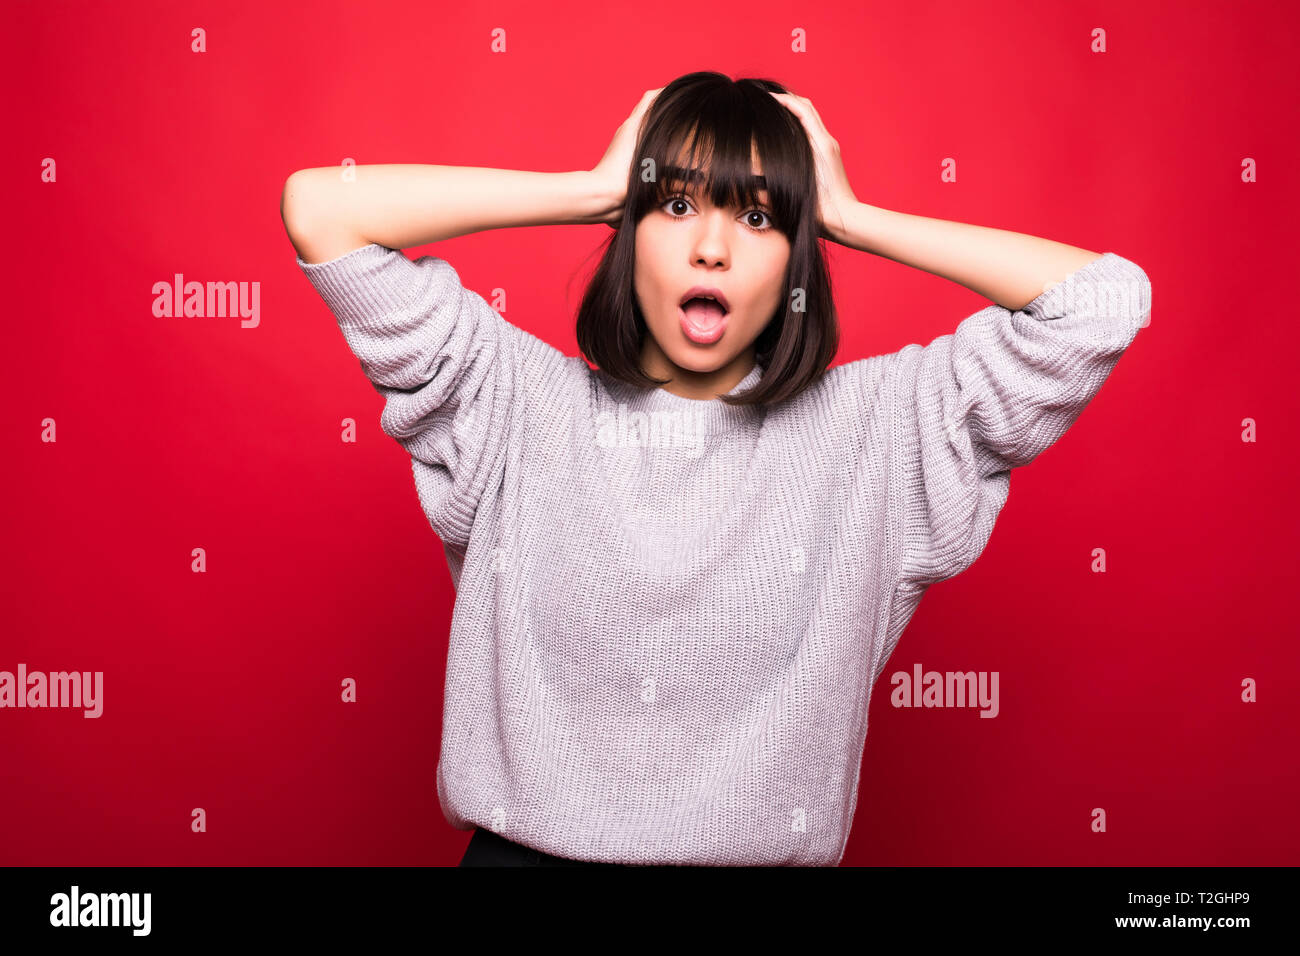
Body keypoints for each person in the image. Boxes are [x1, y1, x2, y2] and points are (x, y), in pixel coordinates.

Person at [280, 71, 1151, 867]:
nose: (712, 250)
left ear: (796, 261)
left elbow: (1104, 304)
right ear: (629, 232)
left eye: (761, 217)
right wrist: (589, 189)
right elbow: (320, 210)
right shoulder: (512, 402)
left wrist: (849, 215)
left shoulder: (880, 432)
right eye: (676, 208)